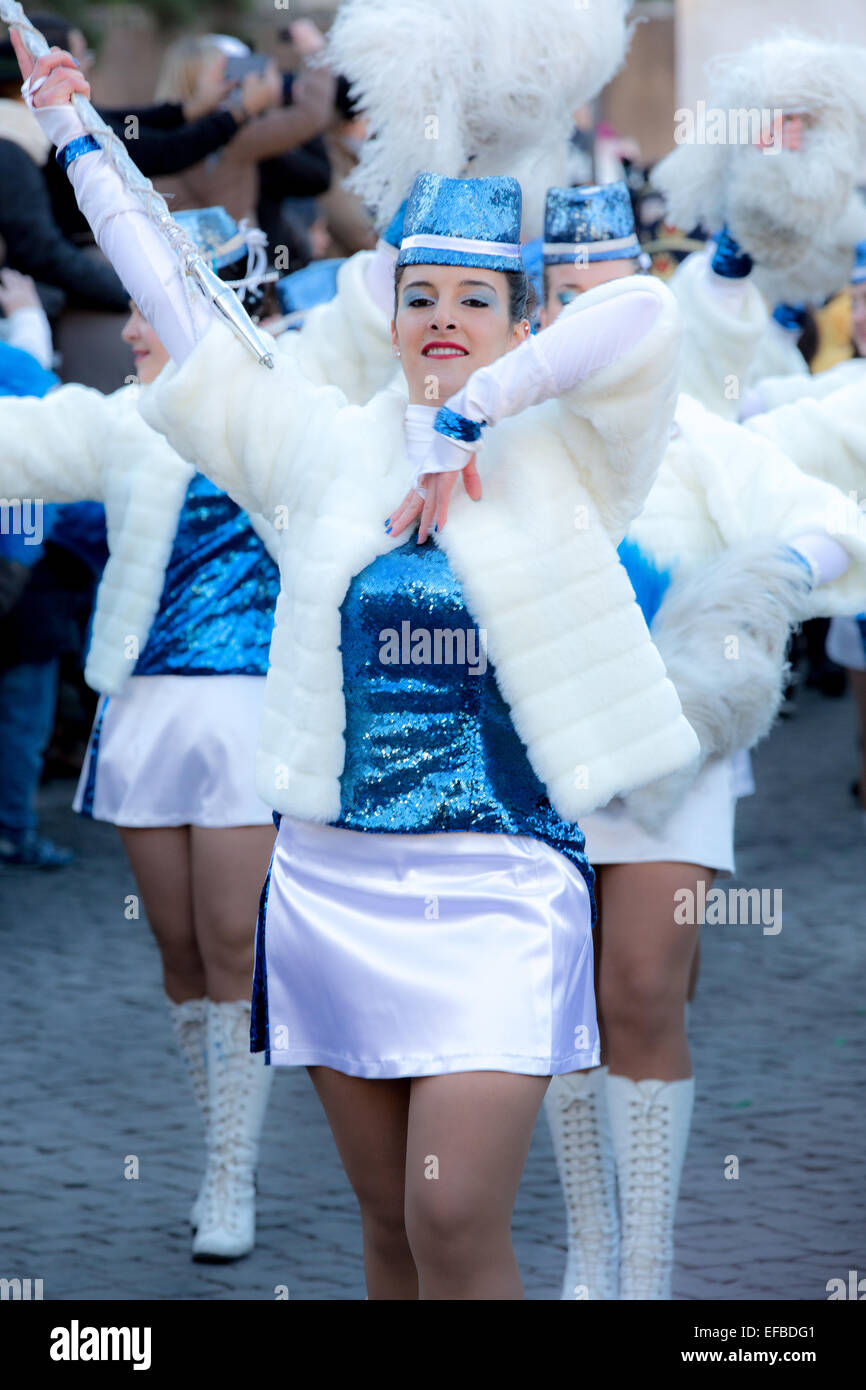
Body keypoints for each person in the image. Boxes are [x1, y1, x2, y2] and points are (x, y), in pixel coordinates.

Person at [21, 35, 739, 1299]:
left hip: (503, 889)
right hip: (333, 884)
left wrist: (479, 411)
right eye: (421, 296)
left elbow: (640, 314)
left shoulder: (565, 457)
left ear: (520, 319)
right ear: (386, 311)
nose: (445, 321)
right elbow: (185, 309)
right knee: (390, 1234)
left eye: (476, 298)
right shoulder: (326, 450)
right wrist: (80, 138)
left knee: (457, 1217)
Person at [536, 182, 866, 1300]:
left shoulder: (698, 435)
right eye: (560, 298)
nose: (581, 321)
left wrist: (762, 582)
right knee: (559, 1005)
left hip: (676, 760)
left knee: (638, 992)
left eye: (602, 298)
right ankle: (586, 1246)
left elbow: (830, 522)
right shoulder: (510, 439)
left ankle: (645, 1263)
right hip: (540, 756)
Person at [0, 187, 281, 1263]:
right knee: (176, 950)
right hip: (147, 719)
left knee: (234, 944)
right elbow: (26, 440)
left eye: (147, 310)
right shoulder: (124, 422)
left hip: (250, 715)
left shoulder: (280, 418)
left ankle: (230, 1175)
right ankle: (218, 1143)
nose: (126, 331)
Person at [153, 23, 336, 229]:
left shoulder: (155, 134)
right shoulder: (231, 135)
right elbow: (309, 117)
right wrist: (315, 52)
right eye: (229, 75)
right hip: (227, 253)